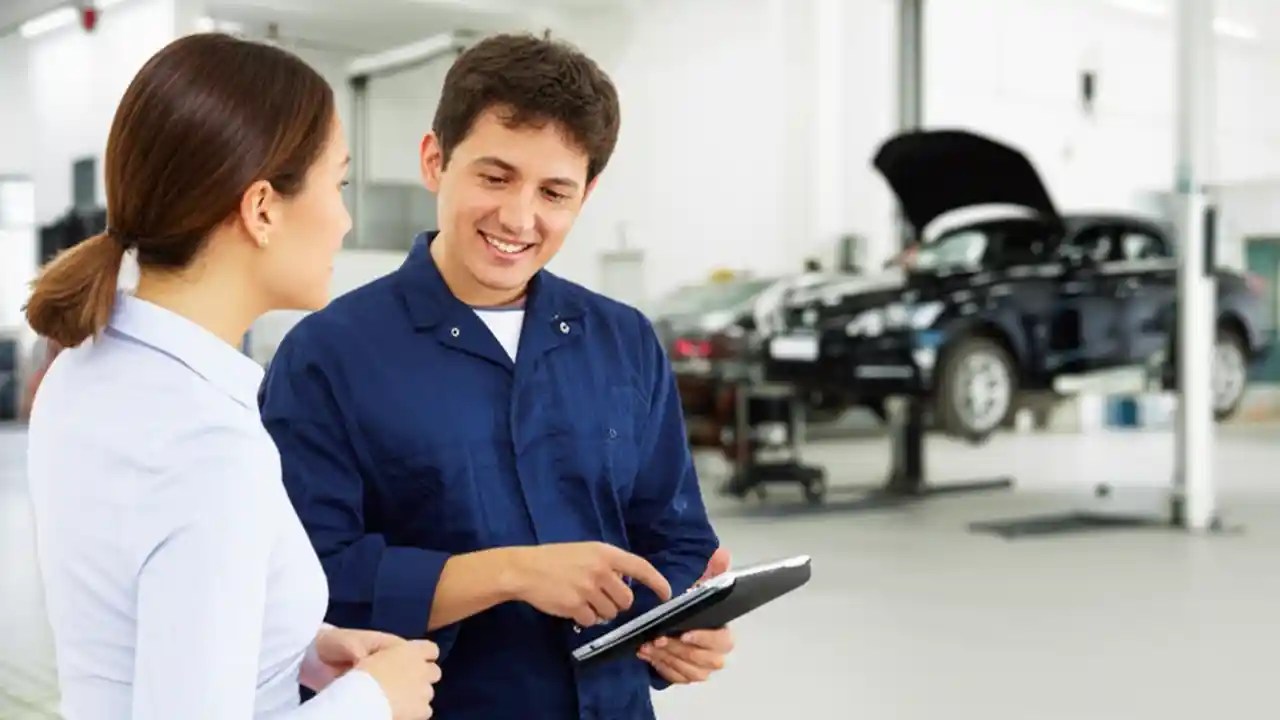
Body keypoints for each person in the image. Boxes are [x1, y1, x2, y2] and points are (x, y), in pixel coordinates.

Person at [258, 33, 735, 719]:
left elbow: (676, 533)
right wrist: (510, 574)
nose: (518, 217)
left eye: (554, 192)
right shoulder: (327, 358)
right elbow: (307, 579)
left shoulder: (624, 340)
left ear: (588, 193)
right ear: (434, 161)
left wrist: (681, 631)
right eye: (494, 176)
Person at [23, 33, 440, 720]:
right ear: (262, 209)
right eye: (337, 185)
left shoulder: (86, 367)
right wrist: (373, 700)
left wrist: (298, 650)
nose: (345, 220)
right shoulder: (209, 448)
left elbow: (136, 626)